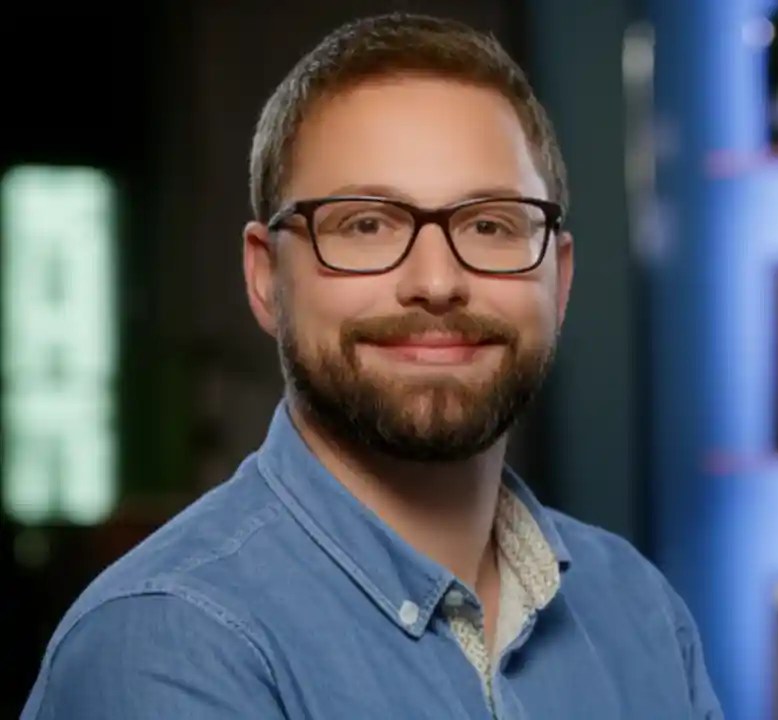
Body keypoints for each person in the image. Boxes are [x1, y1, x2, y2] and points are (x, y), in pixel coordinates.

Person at [21, 13, 722, 719]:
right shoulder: (169, 643)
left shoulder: (639, 611)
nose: (437, 282)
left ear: (560, 281)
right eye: (365, 225)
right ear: (267, 279)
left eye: (489, 225)